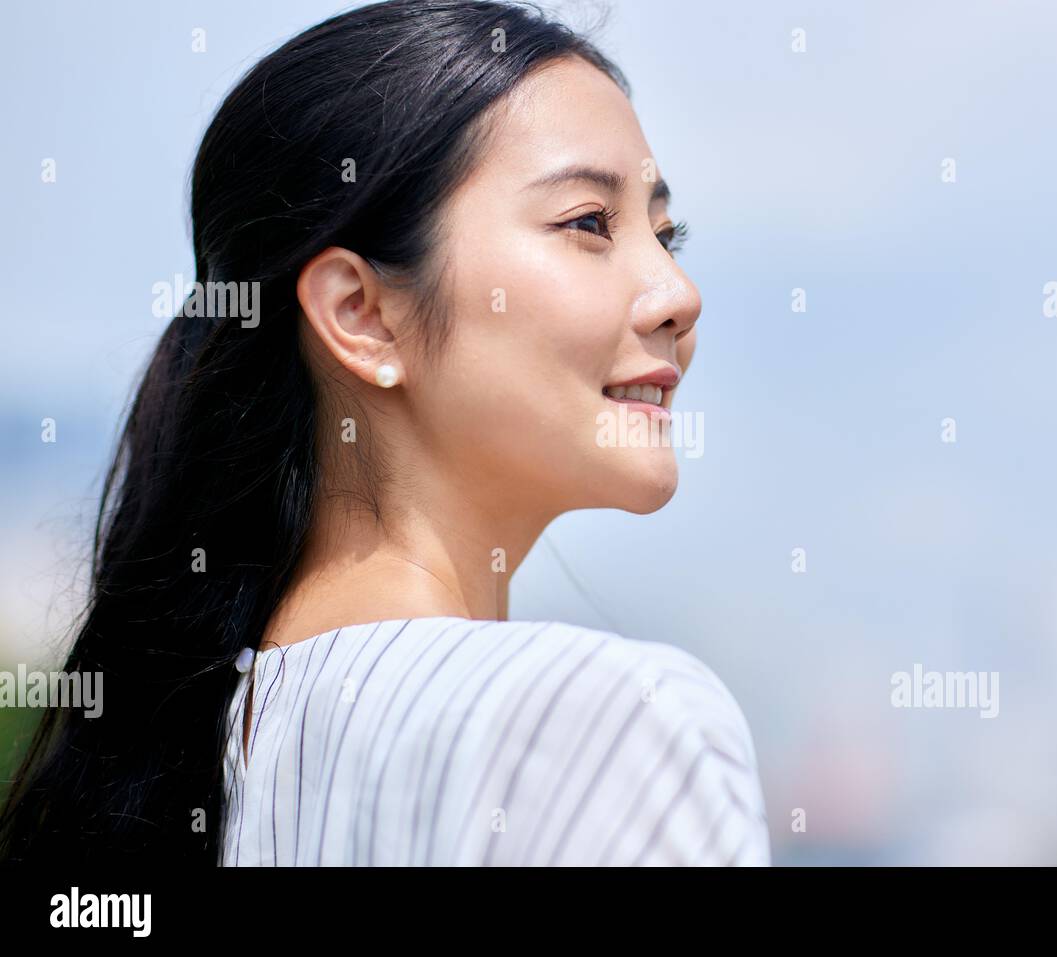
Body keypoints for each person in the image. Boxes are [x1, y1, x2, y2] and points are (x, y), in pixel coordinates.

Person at [0, 0, 770, 866]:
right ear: (361, 313)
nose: (678, 293)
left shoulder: (198, 751)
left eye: (669, 237)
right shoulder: (611, 726)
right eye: (589, 223)